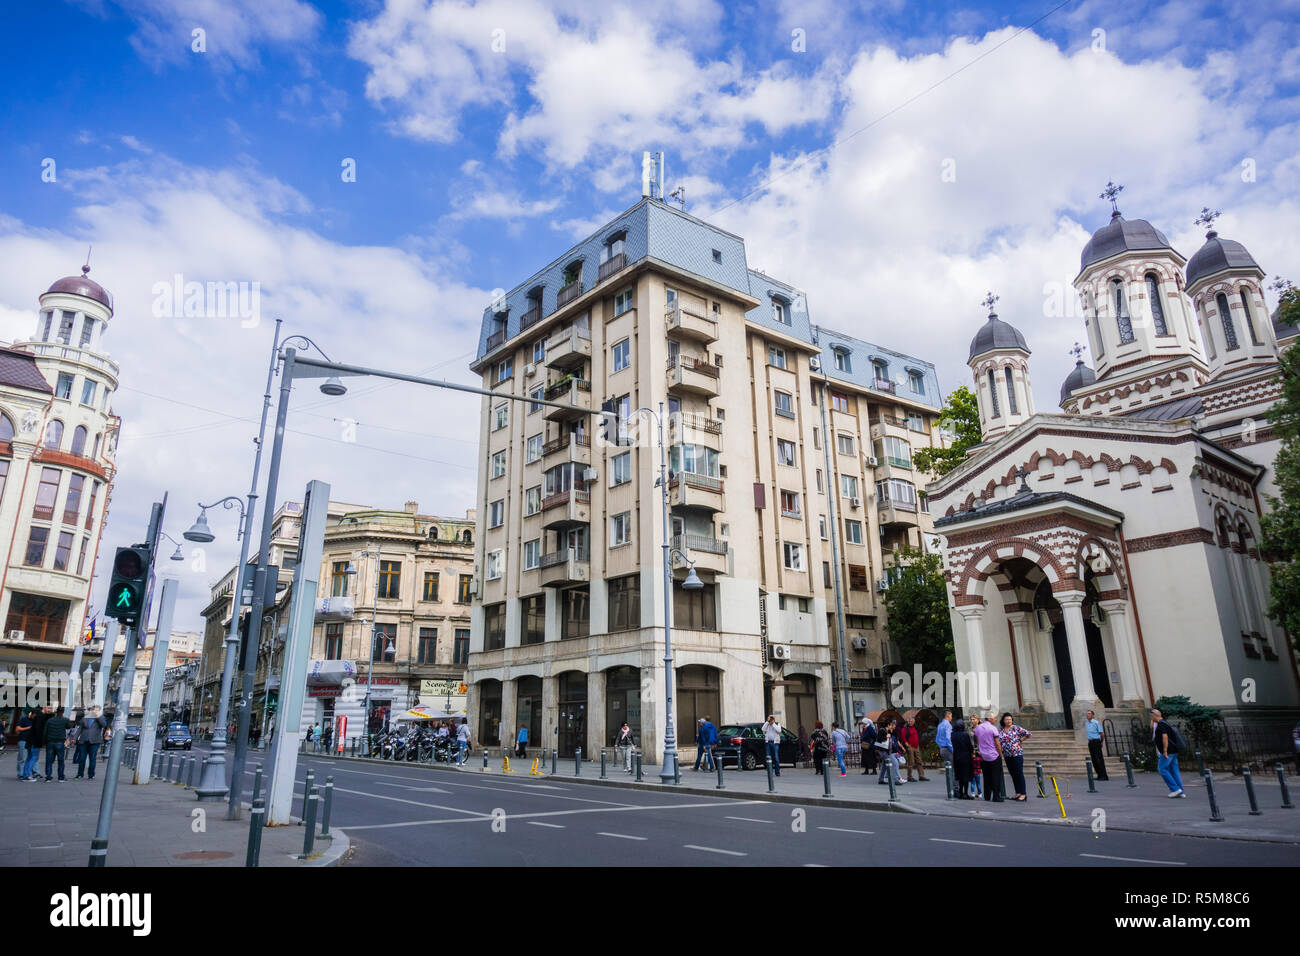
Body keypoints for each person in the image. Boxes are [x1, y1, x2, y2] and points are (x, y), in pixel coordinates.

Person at [1151, 707, 1185, 797]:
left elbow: (1165, 737)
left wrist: (1165, 751)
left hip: (1168, 752)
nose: (1151, 718)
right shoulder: (1165, 722)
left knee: (1162, 769)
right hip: (1173, 751)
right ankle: (1181, 792)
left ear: (1155, 715)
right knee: (1174, 771)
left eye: (1151, 716)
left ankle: (1175, 789)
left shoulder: (1161, 725)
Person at [998, 712, 1032, 801]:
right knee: (1013, 774)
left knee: (1019, 773)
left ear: (1012, 720)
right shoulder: (1001, 730)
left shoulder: (1016, 728)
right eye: (1006, 719)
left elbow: (1028, 734)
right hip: (1007, 755)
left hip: (1017, 754)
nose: (1008, 721)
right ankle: (1018, 792)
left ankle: (1023, 793)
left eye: (1010, 719)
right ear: (1003, 721)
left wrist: (1020, 740)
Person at [973, 713, 1004, 802]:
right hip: (993, 755)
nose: (995, 719)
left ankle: (987, 796)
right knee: (995, 776)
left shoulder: (978, 728)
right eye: (994, 718)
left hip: (983, 755)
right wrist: (1000, 754)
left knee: (986, 776)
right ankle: (996, 796)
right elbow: (997, 743)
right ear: (989, 718)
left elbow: (978, 740)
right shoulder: (993, 728)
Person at [75, 707, 108, 780]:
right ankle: (80, 774)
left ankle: (91, 775)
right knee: (82, 759)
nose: (94, 711)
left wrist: (98, 716)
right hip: (83, 741)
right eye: (93, 710)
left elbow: (104, 725)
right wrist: (74, 738)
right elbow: (79, 729)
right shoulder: (85, 718)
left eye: (96, 710)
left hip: (94, 742)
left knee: (92, 759)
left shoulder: (100, 718)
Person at [43, 706, 72, 782]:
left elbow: (45, 732)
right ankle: (61, 777)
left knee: (49, 760)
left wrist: (45, 741)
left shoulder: (50, 720)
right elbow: (69, 726)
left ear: (56, 711)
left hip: (50, 741)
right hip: (60, 742)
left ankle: (48, 777)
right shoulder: (65, 720)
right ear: (63, 712)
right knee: (61, 760)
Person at [900, 715, 928, 781]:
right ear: (907, 721)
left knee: (919, 761)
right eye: (909, 721)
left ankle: (921, 776)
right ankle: (909, 777)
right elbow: (903, 737)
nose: (910, 722)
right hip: (910, 747)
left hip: (916, 746)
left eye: (912, 721)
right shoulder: (905, 728)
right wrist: (907, 745)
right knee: (911, 762)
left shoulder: (914, 727)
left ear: (914, 721)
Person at [876, 718, 904, 786]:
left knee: (884, 766)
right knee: (893, 763)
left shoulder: (888, 731)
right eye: (891, 725)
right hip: (883, 751)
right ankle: (895, 779)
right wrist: (886, 737)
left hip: (887, 751)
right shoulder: (882, 730)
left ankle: (881, 779)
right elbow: (879, 739)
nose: (893, 726)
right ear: (888, 725)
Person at [951, 718, 974, 799]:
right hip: (966, 757)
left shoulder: (952, 734)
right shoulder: (965, 735)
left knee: (959, 775)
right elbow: (970, 747)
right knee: (965, 776)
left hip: (956, 757)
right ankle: (965, 793)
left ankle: (960, 792)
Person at [27, 707, 51, 781]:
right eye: (49, 708)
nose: (50, 710)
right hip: (35, 741)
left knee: (30, 758)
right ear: (44, 707)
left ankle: (25, 775)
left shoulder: (38, 716)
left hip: (32, 740)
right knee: (33, 758)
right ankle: (27, 776)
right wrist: (41, 741)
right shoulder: (41, 716)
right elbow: (38, 730)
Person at [1084, 709, 1108, 781]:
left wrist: (1101, 742)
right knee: (1094, 759)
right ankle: (1099, 775)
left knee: (1099, 759)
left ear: (1092, 715)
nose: (1087, 715)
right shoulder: (1087, 723)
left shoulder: (1096, 723)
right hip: (1090, 742)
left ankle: (1104, 776)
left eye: (1089, 714)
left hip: (1096, 742)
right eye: (1087, 714)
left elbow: (1102, 734)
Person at [16, 708, 35, 780]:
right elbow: (17, 729)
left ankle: (28, 773)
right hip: (23, 740)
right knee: (22, 758)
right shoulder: (24, 719)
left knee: (31, 758)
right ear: (31, 713)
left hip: (32, 741)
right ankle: (20, 774)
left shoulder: (35, 720)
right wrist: (28, 728)